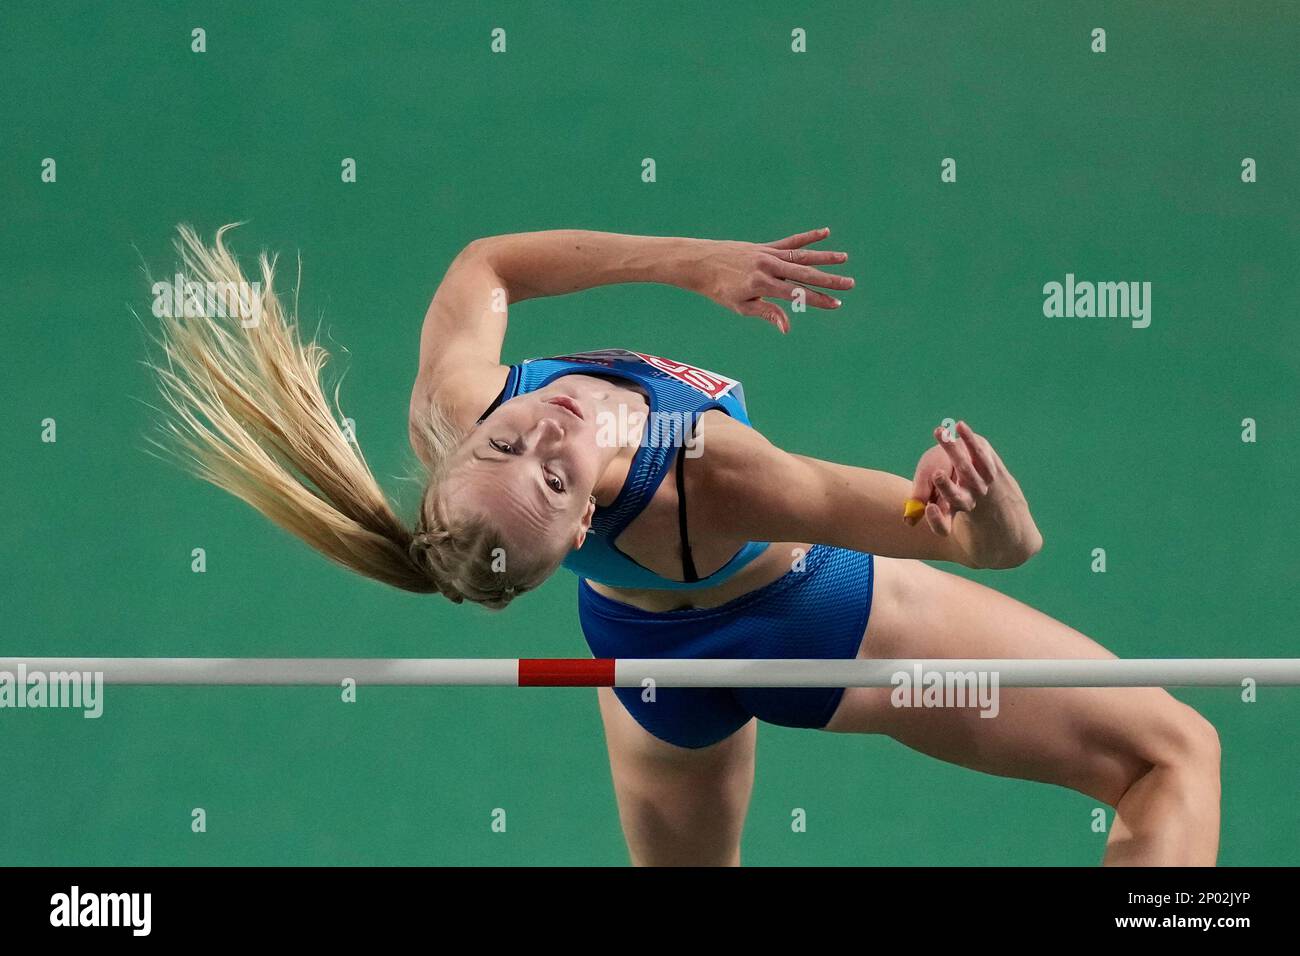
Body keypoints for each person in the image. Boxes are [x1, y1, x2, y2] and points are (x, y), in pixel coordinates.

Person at [149, 224, 1221, 866]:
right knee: (1169, 754)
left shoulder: (455, 405)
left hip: (646, 669)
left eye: (514, 440)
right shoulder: (713, 475)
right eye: (557, 478)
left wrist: (683, 262)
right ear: (577, 528)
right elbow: (998, 548)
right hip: (812, 625)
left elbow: (486, 265)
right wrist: (981, 504)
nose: (551, 429)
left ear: (460, 432)